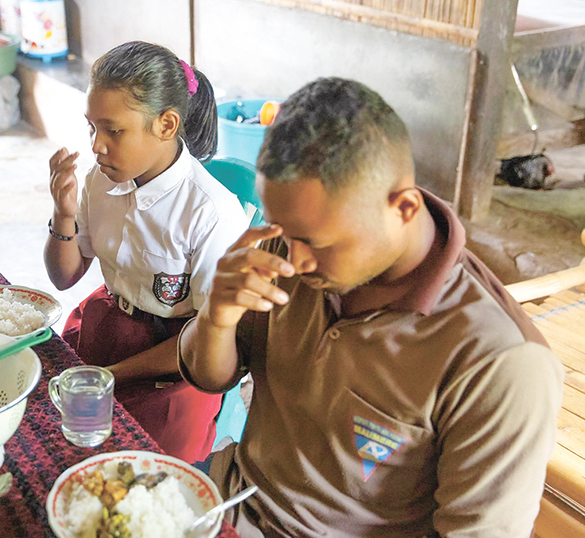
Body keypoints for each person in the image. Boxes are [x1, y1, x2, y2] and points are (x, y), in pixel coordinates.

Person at [178, 77, 563, 537]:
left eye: (314, 243)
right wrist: (218, 318)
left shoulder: (501, 363)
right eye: (282, 229)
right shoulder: (290, 244)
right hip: (224, 502)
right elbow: (209, 377)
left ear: (402, 208)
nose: (295, 260)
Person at [44, 41, 250, 463]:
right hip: (106, 326)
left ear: (167, 124)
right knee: (68, 445)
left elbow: (211, 340)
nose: (97, 145)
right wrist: (63, 215)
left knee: (143, 472)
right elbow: (64, 277)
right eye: (91, 127)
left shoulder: (210, 213)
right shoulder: (100, 181)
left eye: (112, 130)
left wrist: (113, 376)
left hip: (175, 358)